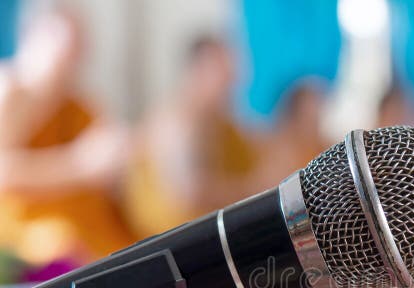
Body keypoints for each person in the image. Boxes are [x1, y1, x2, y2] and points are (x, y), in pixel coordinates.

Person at [0, 8, 133, 266]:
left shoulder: (77, 104)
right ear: (34, 38)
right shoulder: (12, 90)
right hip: (29, 229)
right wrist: (80, 166)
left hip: (86, 220)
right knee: (68, 244)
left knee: (141, 248)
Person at [125, 36, 264, 238]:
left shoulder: (221, 124)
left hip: (205, 235)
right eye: (221, 68)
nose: (233, 78)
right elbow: (193, 193)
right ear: (198, 71)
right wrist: (251, 191)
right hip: (175, 243)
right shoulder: (178, 121)